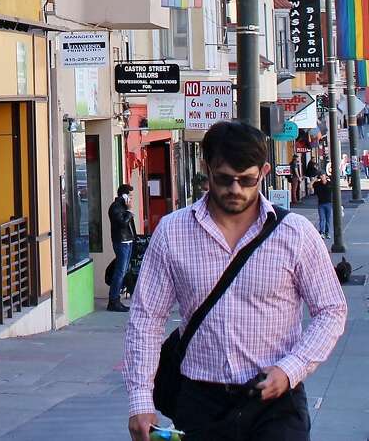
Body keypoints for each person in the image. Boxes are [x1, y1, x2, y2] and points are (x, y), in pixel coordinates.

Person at [124, 121, 346, 441]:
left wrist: (291, 369)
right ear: (206, 170)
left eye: (247, 180)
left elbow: (331, 309)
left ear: (264, 172)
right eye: (225, 178)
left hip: (275, 401)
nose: (236, 189)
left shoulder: (296, 233)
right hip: (200, 400)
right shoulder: (172, 232)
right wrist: (140, 400)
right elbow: (146, 318)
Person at [107, 183, 137, 312]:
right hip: (121, 242)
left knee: (123, 271)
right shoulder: (116, 207)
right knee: (120, 272)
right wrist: (129, 211)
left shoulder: (123, 207)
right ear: (124, 196)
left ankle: (116, 298)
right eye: (130, 196)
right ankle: (113, 300)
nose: (131, 198)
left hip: (128, 241)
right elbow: (122, 223)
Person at [314, 174, 333, 239]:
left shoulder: (329, 183)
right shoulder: (317, 184)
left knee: (328, 219)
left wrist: (330, 177)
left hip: (328, 203)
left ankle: (327, 233)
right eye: (321, 176)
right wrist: (314, 180)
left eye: (323, 176)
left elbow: (336, 185)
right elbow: (309, 186)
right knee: (322, 219)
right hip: (321, 204)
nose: (322, 177)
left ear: (326, 176)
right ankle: (322, 232)